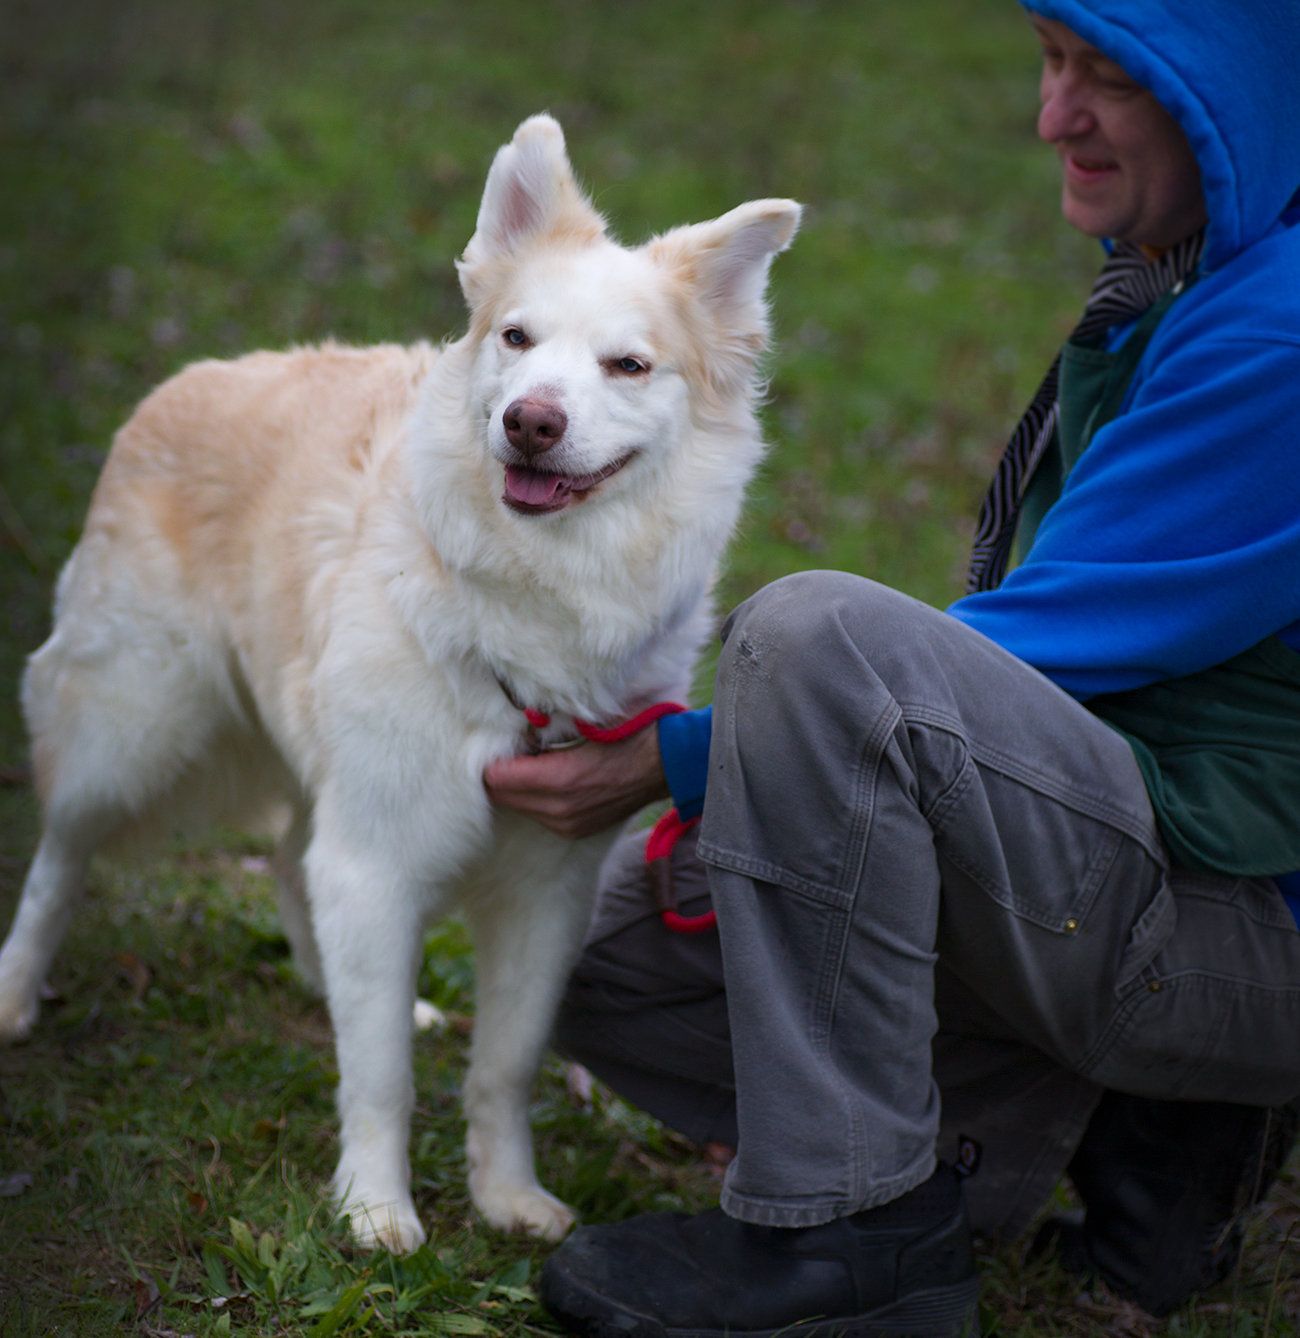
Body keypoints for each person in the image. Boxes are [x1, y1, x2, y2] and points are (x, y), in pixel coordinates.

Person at [484, 1, 1300, 1331]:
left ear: (1240, 94)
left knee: (811, 640)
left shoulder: (1280, 337)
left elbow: (1041, 654)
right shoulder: (1191, 275)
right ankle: (1107, 1135)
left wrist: (672, 756)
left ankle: (857, 1245)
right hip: (1146, 857)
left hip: (1250, 923)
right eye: (1051, 65)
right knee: (587, 958)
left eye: (1116, 81)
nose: (1055, 120)